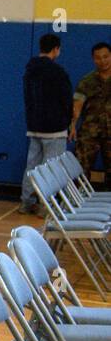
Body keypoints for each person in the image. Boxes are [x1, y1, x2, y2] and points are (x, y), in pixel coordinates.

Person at [20, 33, 73, 214]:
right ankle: (46, 205)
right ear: (56, 49)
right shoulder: (58, 72)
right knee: (51, 168)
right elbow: (66, 100)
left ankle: (26, 202)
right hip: (55, 128)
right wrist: (68, 122)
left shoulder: (29, 71)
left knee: (32, 166)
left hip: (34, 126)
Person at [73, 42, 111, 189]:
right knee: (81, 169)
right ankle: (78, 203)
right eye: (98, 58)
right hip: (90, 133)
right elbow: (77, 105)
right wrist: (73, 125)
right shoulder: (86, 81)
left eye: (106, 57)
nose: (103, 61)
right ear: (93, 59)